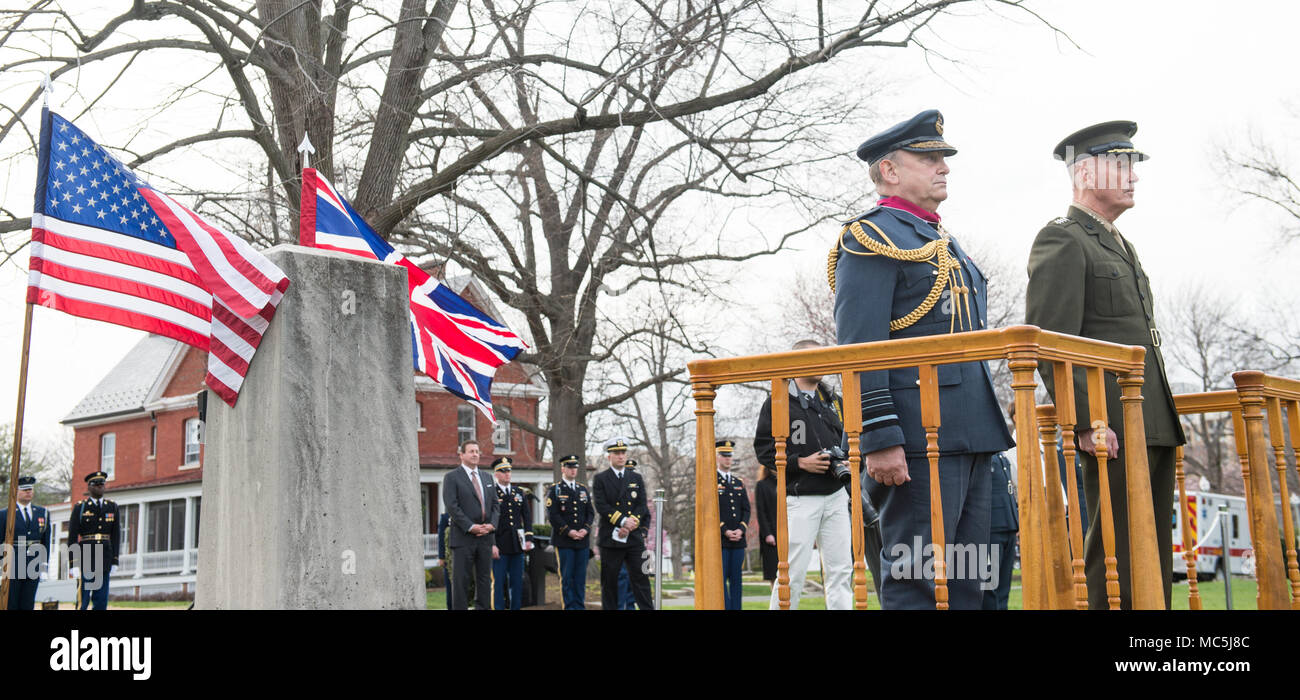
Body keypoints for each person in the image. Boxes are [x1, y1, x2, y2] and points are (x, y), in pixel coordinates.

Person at [830, 110, 1014, 609]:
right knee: (917, 580)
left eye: (943, 159)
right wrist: (880, 436)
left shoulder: (936, 238)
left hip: (969, 433)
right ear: (889, 170)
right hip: (914, 438)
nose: (944, 167)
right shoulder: (871, 238)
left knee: (969, 582)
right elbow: (859, 346)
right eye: (929, 157)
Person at [1025, 120, 1184, 609]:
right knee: (1112, 551)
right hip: (1109, 421)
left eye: (1133, 165)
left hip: (1148, 418)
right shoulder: (1064, 240)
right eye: (1121, 165)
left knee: (1152, 551)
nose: (1133, 176)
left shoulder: (1118, 243)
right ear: (1086, 174)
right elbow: (1053, 343)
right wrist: (1086, 421)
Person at [753, 341, 854, 610]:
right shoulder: (777, 401)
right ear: (798, 363)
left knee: (841, 571)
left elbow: (852, 441)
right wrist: (800, 462)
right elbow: (763, 450)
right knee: (792, 574)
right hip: (800, 497)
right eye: (814, 357)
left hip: (835, 496)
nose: (822, 362)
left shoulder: (834, 401)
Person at [592, 437, 654, 610]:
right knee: (610, 584)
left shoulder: (636, 477)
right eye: (616, 453)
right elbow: (602, 506)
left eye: (623, 453)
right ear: (609, 456)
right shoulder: (601, 479)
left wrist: (631, 522)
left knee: (641, 580)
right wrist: (622, 521)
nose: (621, 456)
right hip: (611, 540)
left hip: (633, 538)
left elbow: (641, 505)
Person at [442, 441, 499, 610]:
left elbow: (496, 506)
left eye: (477, 451)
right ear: (462, 455)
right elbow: (452, 506)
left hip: (485, 537)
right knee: (461, 581)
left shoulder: (488, 477)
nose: (475, 454)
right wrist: (470, 526)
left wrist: (491, 526)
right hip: (463, 537)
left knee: (484, 580)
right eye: (471, 451)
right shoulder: (452, 477)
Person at [67, 471, 120, 610]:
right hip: (86, 556)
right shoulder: (81, 507)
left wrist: (115, 560)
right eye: (96, 484)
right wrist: (73, 563)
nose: (100, 487)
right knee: (82, 599)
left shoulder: (112, 506)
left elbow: (115, 536)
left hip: (104, 556)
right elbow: (72, 537)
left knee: (101, 600)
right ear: (89, 487)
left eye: (102, 484)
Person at [547, 454, 594, 610]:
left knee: (580, 577)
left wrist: (585, 529)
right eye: (570, 467)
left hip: (582, 540)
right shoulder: (555, 489)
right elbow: (553, 515)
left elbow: (590, 513)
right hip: (564, 540)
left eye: (575, 467)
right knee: (567, 577)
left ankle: (579, 606)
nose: (573, 470)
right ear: (563, 469)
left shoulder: (583, 489)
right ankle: (569, 607)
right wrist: (568, 531)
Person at [1, 476, 50, 610]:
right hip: (12, 565)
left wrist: (44, 566)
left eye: (30, 489)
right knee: (11, 603)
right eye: (24, 489)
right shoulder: (5, 514)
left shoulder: (42, 513)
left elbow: (45, 541)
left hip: (33, 564)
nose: (28, 492)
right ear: (16, 491)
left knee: (28, 603)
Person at [491, 457, 533, 610]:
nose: (507, 474)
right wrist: (492, 545)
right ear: (496, 474)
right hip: (499, 545)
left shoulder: (519, 492)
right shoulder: (491, 493)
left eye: (509, 471)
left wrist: (528, 538)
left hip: (517, 545)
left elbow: (527, 518)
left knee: (517, 582)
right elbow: (488, 520)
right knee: (499, 582)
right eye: (503, 471)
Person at [715, 440, 751, 610]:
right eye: (724, 456)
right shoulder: (711, 481)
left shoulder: (739, 482)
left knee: (737, 580)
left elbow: (746, 509)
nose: (728, 459)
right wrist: (725, 530)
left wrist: (741, 529)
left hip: (738, 540)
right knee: (721, 580)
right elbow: (710, 510)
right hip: (721, 540)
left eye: (730, 456)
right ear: (717, 457)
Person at [982, 452, 1018, 610]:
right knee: (991, 587)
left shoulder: (1002, 457)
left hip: (1009, 526)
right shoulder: (986, 456)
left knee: (1004, 587)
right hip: (992, 528)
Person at [754, 465, 778, 583]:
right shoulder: (762, 485)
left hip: (787, 532)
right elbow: (761, 511)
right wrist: (767, 533)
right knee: (773, 572)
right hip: (771, 535)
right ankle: (776, 600)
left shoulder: (787, 483)